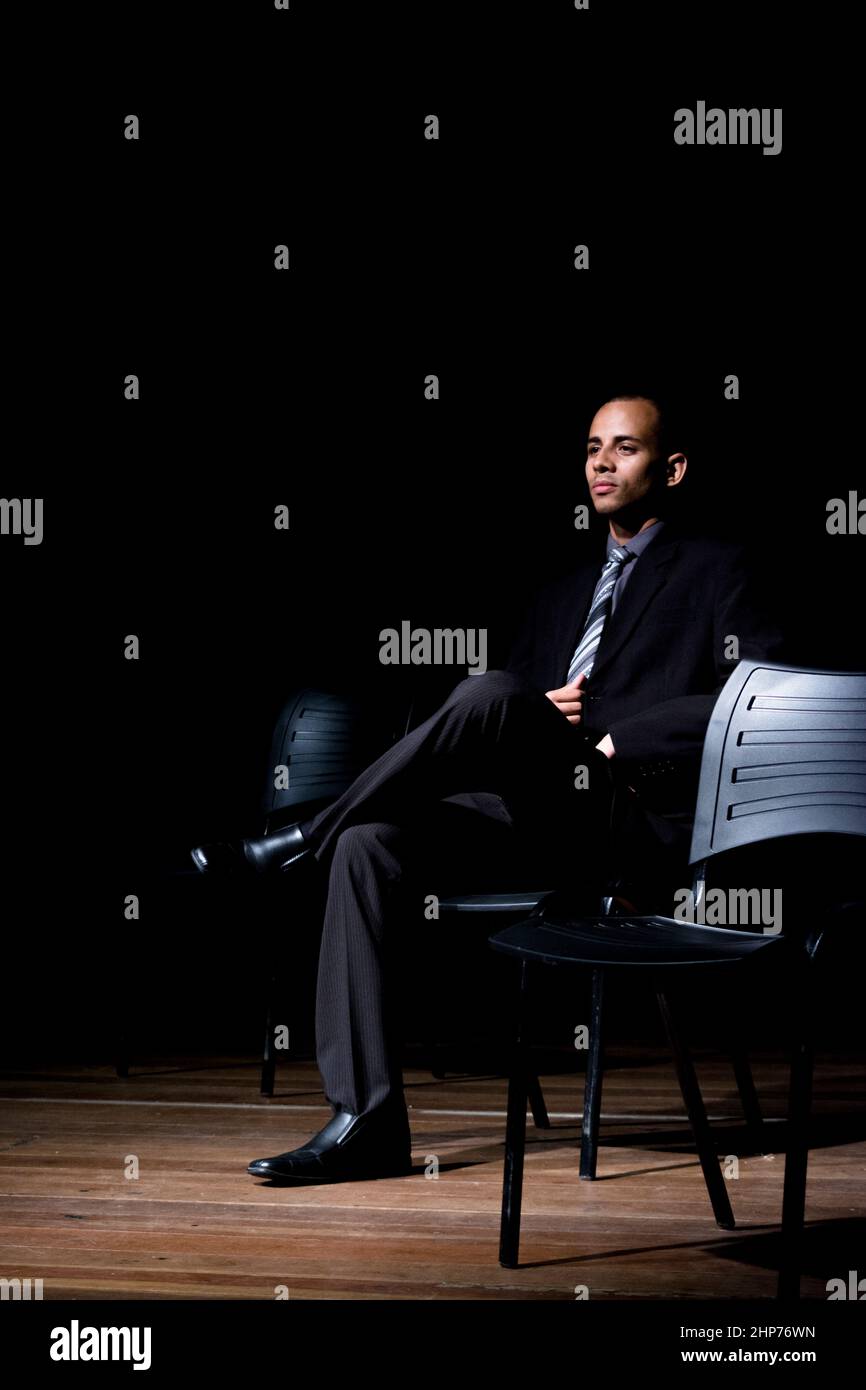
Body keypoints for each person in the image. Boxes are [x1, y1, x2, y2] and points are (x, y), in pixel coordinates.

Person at [191, 391, 785, 1182]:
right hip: (529, 817)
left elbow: (760, 692)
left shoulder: (719, 569)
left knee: (487, 692)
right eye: (591, 447)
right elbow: (507, 725)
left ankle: (300, 837)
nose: (602, 463)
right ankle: (366, 1116)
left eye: (626, 448)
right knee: (371, 845)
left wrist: (620, 738)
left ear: (671, 468)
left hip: (631, 820)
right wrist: (532, 713)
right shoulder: (558, 592)